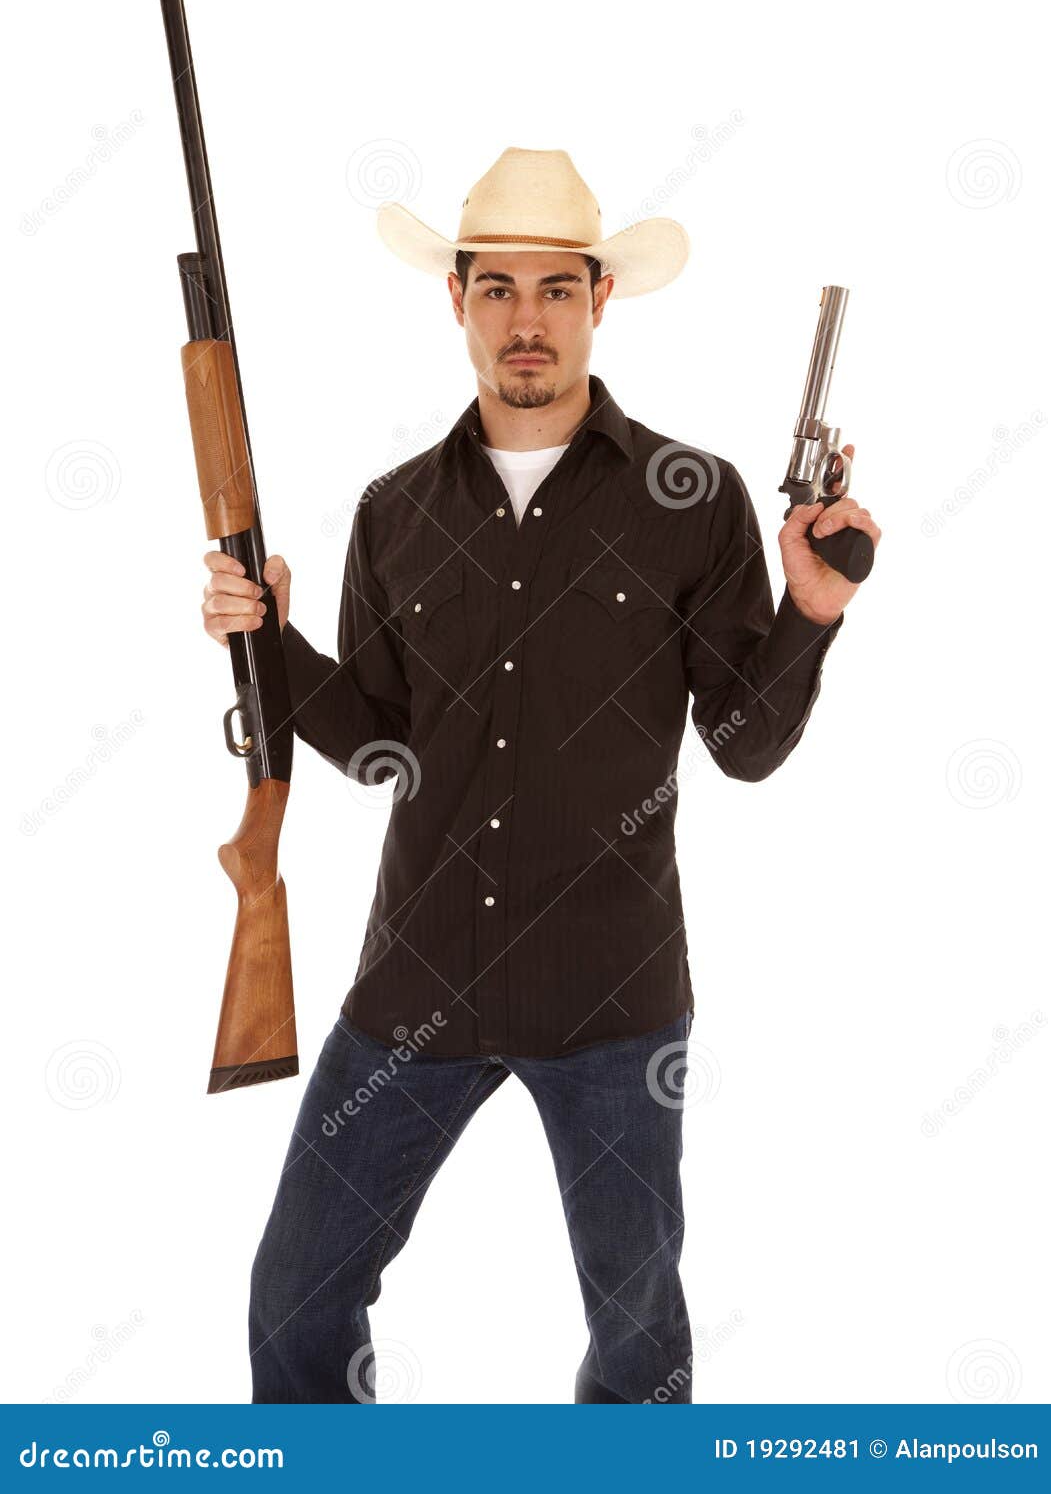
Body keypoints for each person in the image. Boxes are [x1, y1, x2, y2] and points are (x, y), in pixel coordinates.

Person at [200, 147, 881, 1403]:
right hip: (416, 983)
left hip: (610, 998)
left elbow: (743, 746)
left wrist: (809, 610)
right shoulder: (394, 508)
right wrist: (270, 644)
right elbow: (376, 742)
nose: (527, 319)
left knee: (639, 1350)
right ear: (454, 302)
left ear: (598, 302)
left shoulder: (692, 499)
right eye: (498, 288)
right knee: (295, 1297)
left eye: (555, 290)